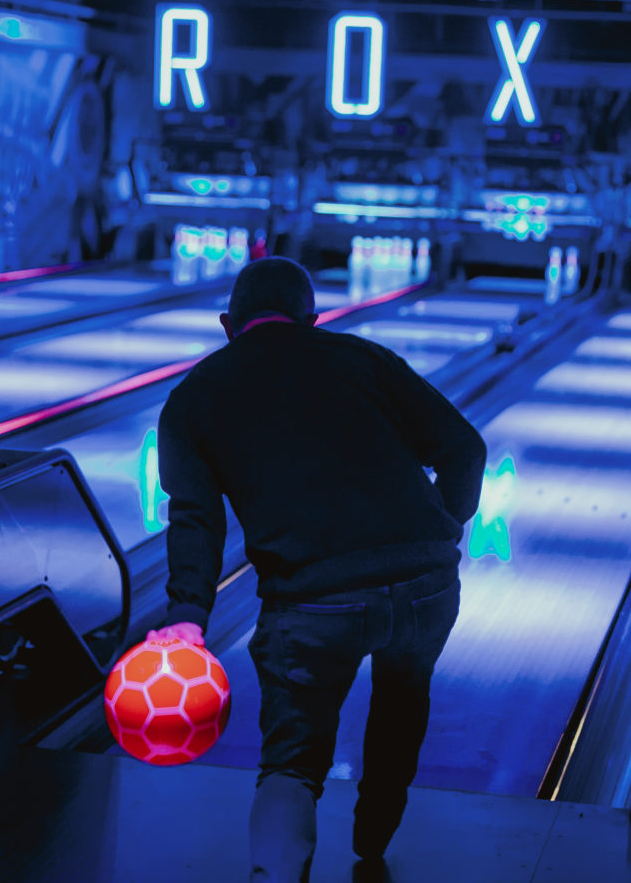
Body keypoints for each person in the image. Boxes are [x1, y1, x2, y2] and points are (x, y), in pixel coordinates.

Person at [148, 257, 486, 882]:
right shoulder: (364, 358)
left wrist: (189, 619)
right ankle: (374, 836)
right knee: (405, 694)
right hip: (426, 586)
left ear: (228, 324)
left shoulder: (191, 398)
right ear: (313, 319)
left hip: (313, 602)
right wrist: (445, 531)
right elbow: (466, 448)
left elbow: (195, 519)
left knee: (293, 761)